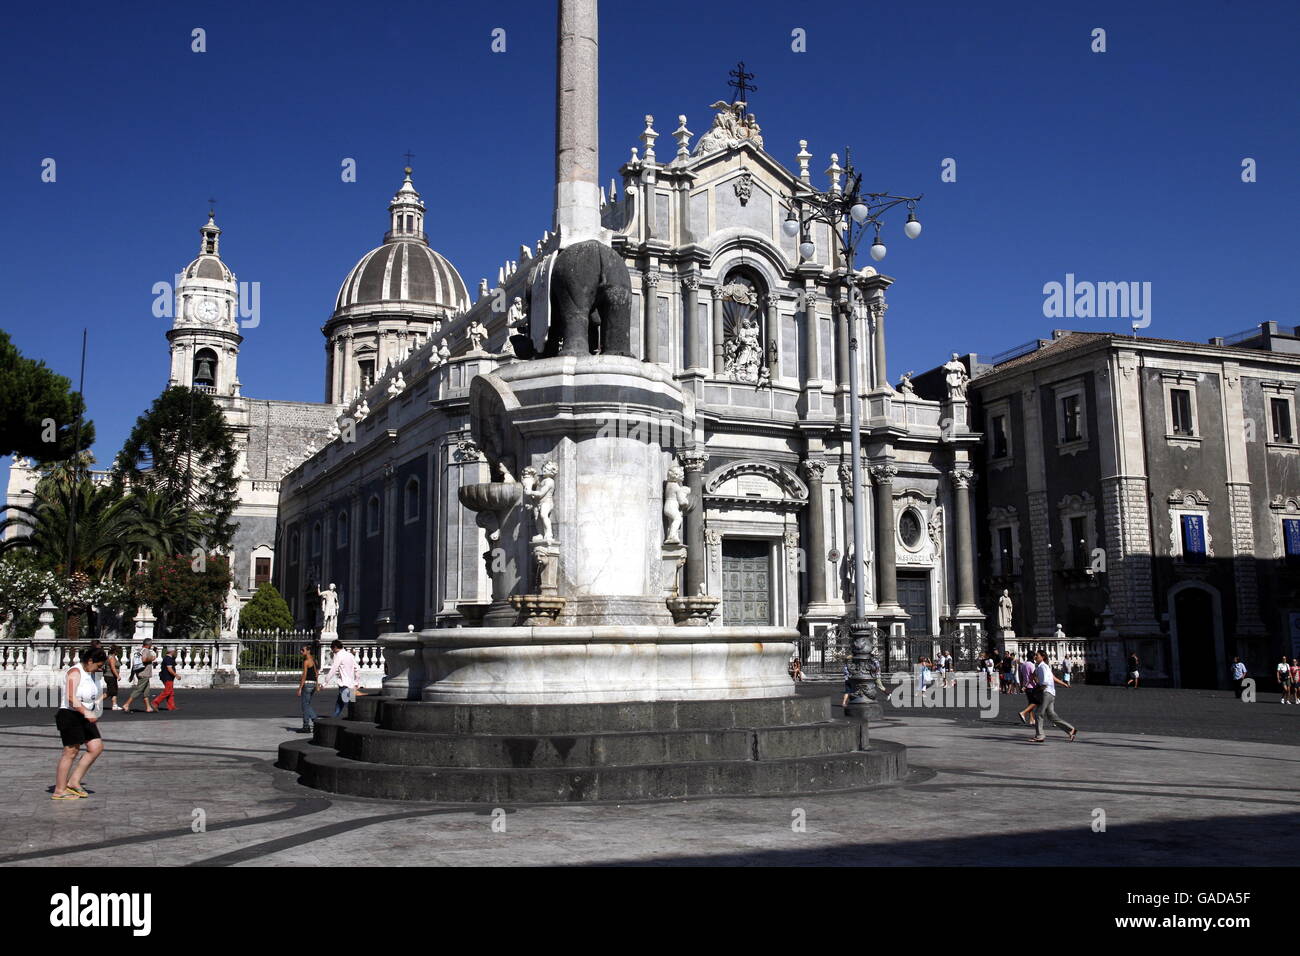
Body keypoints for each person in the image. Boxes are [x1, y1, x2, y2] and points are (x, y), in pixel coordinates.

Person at [52, 646, 108, 799]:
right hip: (70, 715)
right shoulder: (75, 672)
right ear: (90, 661)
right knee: (70, 752)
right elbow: (71, 697)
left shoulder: (91, 673)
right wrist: (86, 712)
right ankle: (59, 790)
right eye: (98, 665)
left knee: (96, 747)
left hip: (84, 715)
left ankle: (74, 781)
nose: (100, 668)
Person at [1030, 649, 1076, 743]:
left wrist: (1038, 689)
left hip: (1046, 693)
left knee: (1038, 713)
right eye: (1035, 655)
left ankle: (1040, 736)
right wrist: (1064, 684)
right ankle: (1071, 730)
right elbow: (1053, 678)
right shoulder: (1043, 666)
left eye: (1037, 655)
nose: (1035, 657)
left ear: (1042, 657)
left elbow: (1045, 682)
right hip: (1051, 694)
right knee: (1051, 716)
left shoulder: (1042, 667)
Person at [321, 639, 361, 717]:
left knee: (348, 704)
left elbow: (333, 670)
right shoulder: (350, 655)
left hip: (344, 684)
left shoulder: (339, 656)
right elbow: (357, 669)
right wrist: (356, 682)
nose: (332, 651)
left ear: (335, 647)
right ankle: (334, 718)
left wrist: (325, 683)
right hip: (351, 684)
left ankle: (355, 718)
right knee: (341, 704)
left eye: (332, 649)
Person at [123, 640, 157, 714]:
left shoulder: (139, 651)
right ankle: (127, 704)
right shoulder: (146, 651)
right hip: (144, 674)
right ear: (149, 645)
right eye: (151, 644)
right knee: (138, 690)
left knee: (146, 691)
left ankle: (148, 707)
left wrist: (132, 675)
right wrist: (152, 658)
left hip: (141, 673)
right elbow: (144, 659)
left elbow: (135, 663)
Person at [297, 646, 319, 732]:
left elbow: (304, 675)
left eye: (303, 650)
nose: (301, 651)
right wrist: (316, 685)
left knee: (305, 706)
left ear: (308, 651)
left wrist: (300, 688)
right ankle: (314, 722)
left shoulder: (306, 662)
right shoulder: (315, 661)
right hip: (313, 684)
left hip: (307, 684)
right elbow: (317, 674)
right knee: (307, 704)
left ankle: (306, 726)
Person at [151, 648, 179, 712]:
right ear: (172, 651)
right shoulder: (168, 659)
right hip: (167, 677)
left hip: (167, 677)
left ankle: (171, 706)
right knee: (167, 691)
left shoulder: (167, 658)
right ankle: (155, 702)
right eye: (175, 651)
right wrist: (176, 675)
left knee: (170, 692)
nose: (176, 652)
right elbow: (169, 669)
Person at [1017, 653, 1039, 726]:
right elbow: (1034, 676)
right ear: (1032, 657)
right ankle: (1023, 712)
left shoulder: (1023, 665)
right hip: (1032, 686)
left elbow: (1020, 676)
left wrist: (1021, 686)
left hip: (1025, 686)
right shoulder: (1031, 665)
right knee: (1036, 701)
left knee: (1030, 702)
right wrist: (1038, 684)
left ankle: (1031, 719)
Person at [104, 644, 122, 710]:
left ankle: (114, 705)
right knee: (110, 692)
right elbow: (113, 668)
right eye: (117, 651)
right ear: (115, 651)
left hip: (111, 676)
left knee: (114, 691)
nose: (118, 652)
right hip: (110, 676)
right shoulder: (111, 657)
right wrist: (118, 676)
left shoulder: (111, 657)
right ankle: (97, 701)